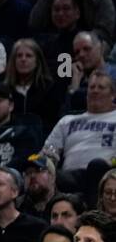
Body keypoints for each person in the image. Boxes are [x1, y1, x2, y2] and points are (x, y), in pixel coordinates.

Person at [44, 72, 116, 200]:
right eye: (92, 87)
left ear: (113, 95)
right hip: (69, 177)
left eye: (101, 87)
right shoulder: (67, 121)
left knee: (96, 166)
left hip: (106, 173)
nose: (95, 91)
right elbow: (49, 152)